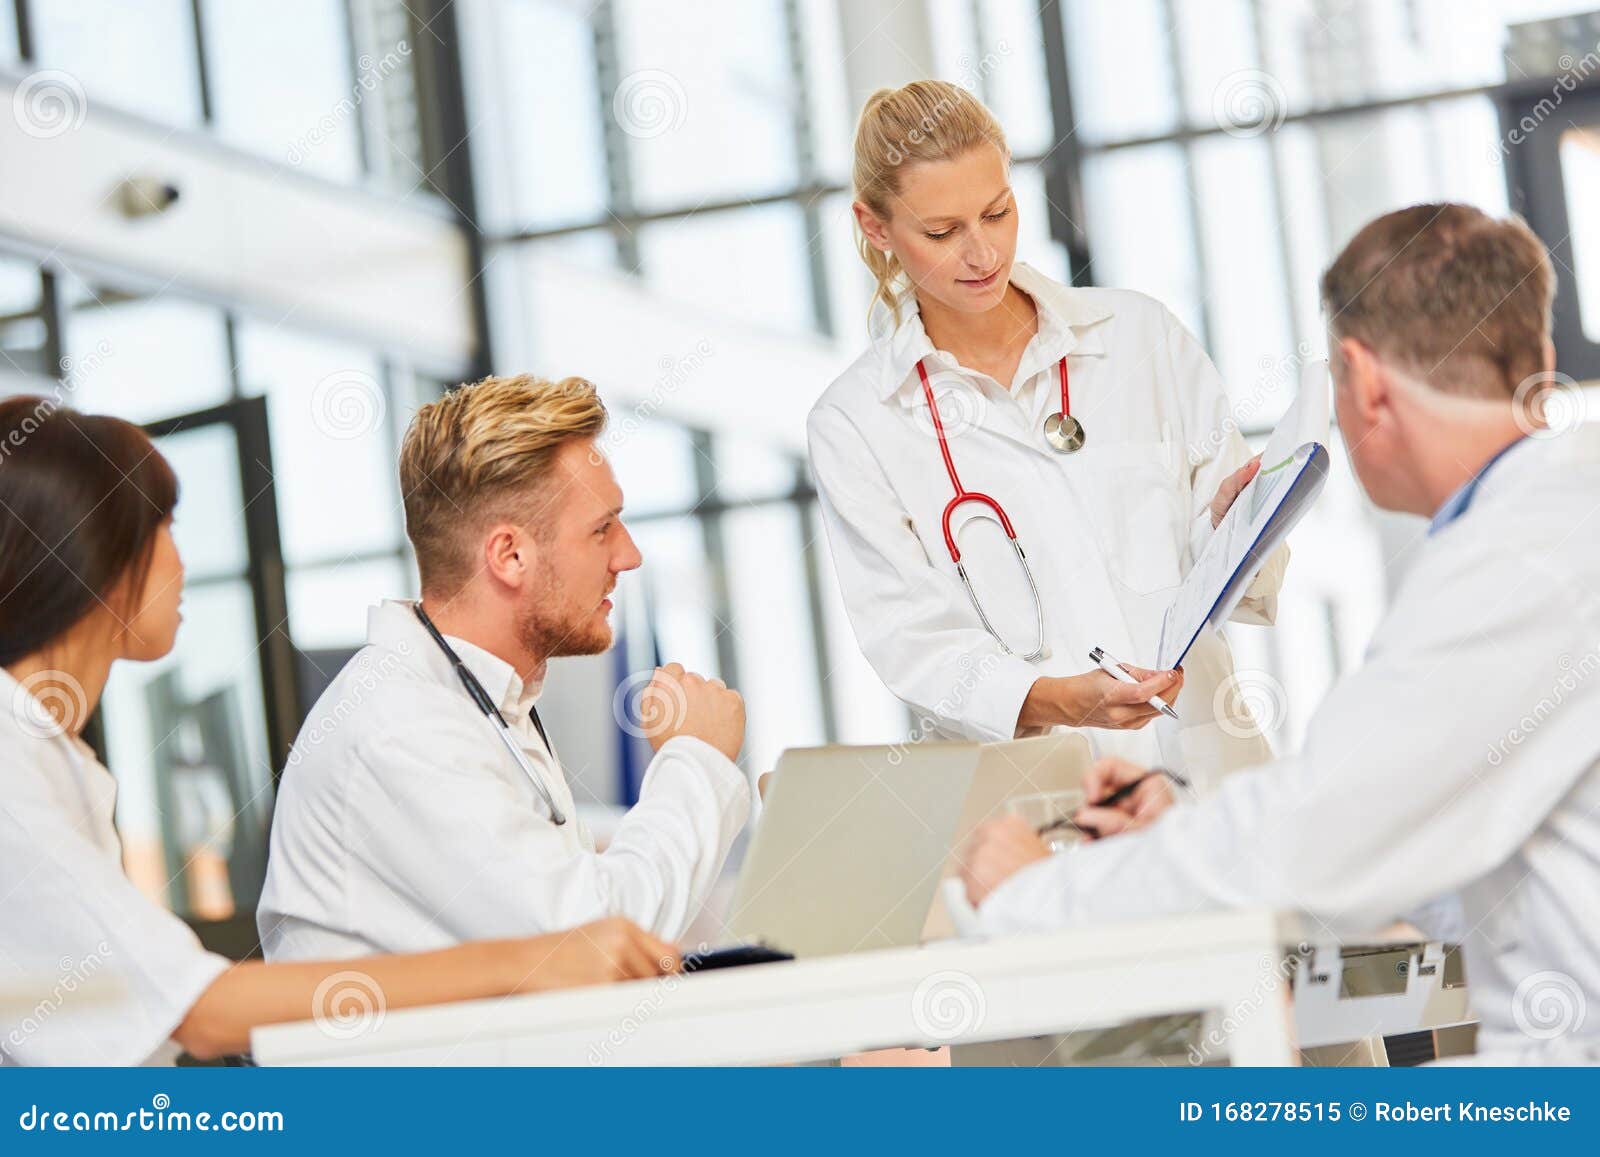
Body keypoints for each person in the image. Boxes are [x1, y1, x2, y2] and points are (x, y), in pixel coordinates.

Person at [960, 203, 1600, 1063]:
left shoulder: (1517, 562)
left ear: (1364, 381)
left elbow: (1324, 833)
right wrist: (1192, 826)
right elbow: (1449, 843)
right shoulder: (1556, 514)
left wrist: (1039, 895)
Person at [0, 397, 679, 1066]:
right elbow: (200, 1010)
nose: (182, 561)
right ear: (91, 554)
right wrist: (533, 961)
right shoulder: (11, 763)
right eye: (165, 528)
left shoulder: (51, 758)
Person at [808, 81, 1288, 791]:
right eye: (941, 233)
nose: (982, 252)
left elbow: (1233, 577)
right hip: (1041, 800)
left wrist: (1235, 522)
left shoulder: (1138, 336)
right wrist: (1059, 698)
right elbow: (913, 641)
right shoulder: (857, 422)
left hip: (1212, 780)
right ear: (875, 228)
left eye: (998, 212)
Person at [258, 375, 749, 960]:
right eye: (601, 529)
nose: (629, 555)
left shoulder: (481, 703)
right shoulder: (401, 727)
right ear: (510, 555)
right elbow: (594, 940)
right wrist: (693, 758)